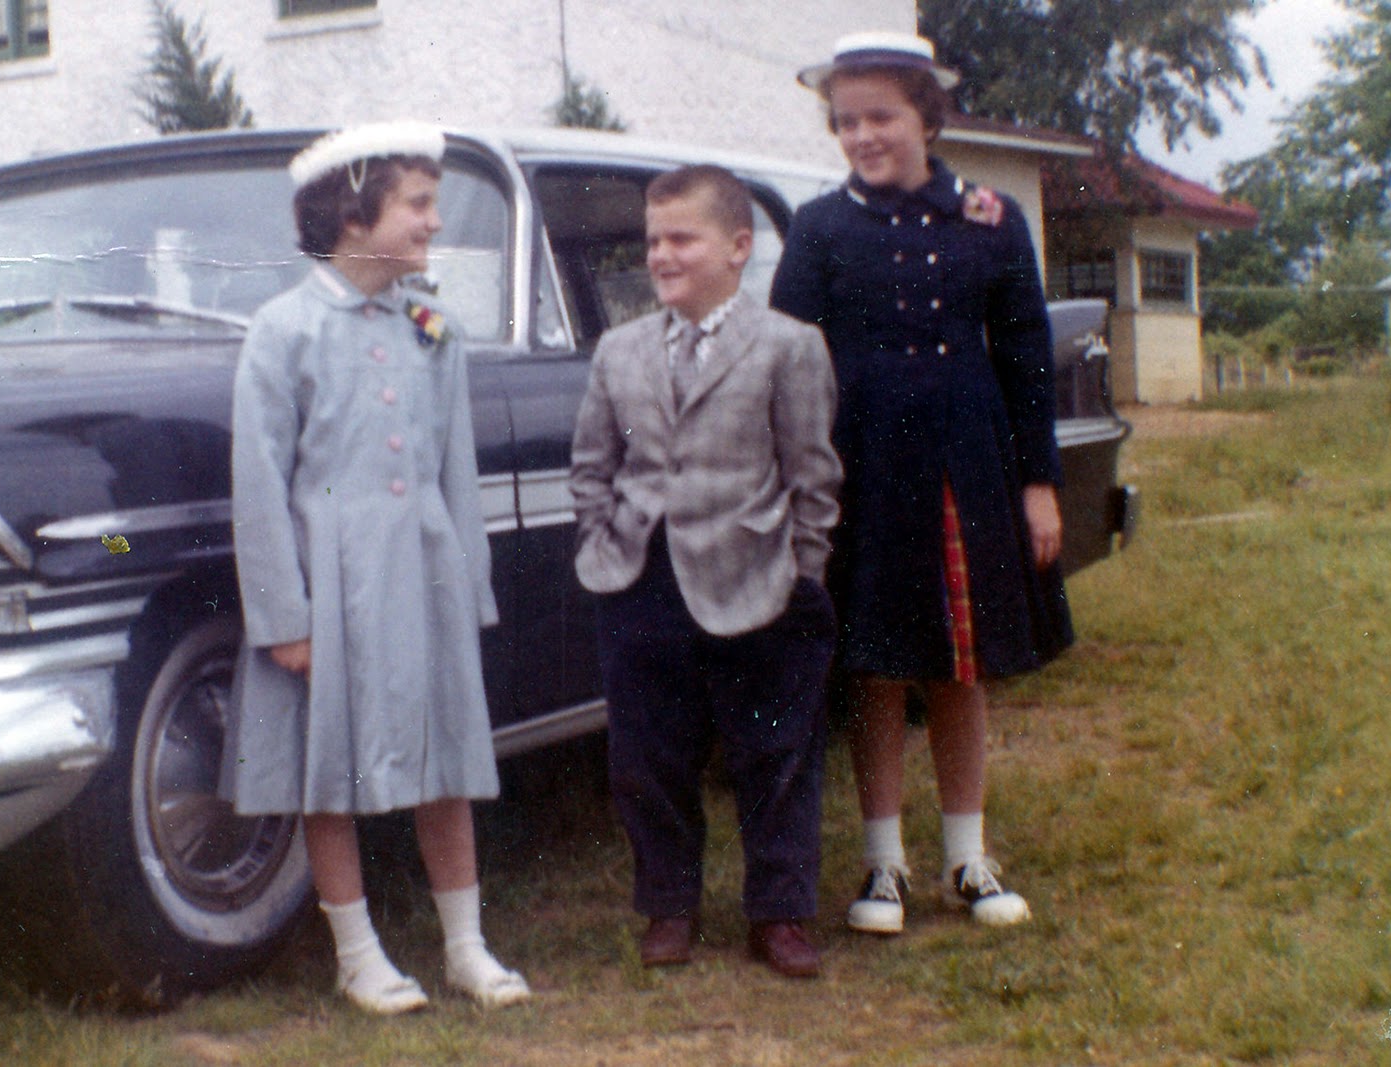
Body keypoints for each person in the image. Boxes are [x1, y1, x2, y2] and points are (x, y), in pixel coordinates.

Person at [221, 122, 531, 1014]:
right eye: (418, 204)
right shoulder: (282, 330)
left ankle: (466, 946)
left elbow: (455, 470)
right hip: (332, 581)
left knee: (446, 757)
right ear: (354, 215)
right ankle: (358, 954)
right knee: (331, 767)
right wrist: (285, 617)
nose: (435, 221)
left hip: (423, 572)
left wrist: (468, 585)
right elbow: (258, 484)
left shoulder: (433, 325)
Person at [771, 32, 1074, 936]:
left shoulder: (991, 217)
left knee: (958, 662)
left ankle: (968, 857)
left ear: (927, 117)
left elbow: (1026, 355)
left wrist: (1040, 483)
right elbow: (786, 357)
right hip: (859, 465)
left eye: (882, 116)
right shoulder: (819, 227)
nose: (863, 135)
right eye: (846, 121)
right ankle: (884, 864)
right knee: (875, 661)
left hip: (963, 462)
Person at [570, 165, 843, 978]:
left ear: (738, 247)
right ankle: (669, 904)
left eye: (682, 238)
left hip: (755, 578)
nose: (662, 255)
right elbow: (591, 465)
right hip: (641, 580)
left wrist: (803, 574)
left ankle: (780, 911)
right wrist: (603, 541)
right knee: (648, 757)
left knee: (775, 753)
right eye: (653, 240)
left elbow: (813, 475)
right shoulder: (619, 350)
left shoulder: (789, 346)